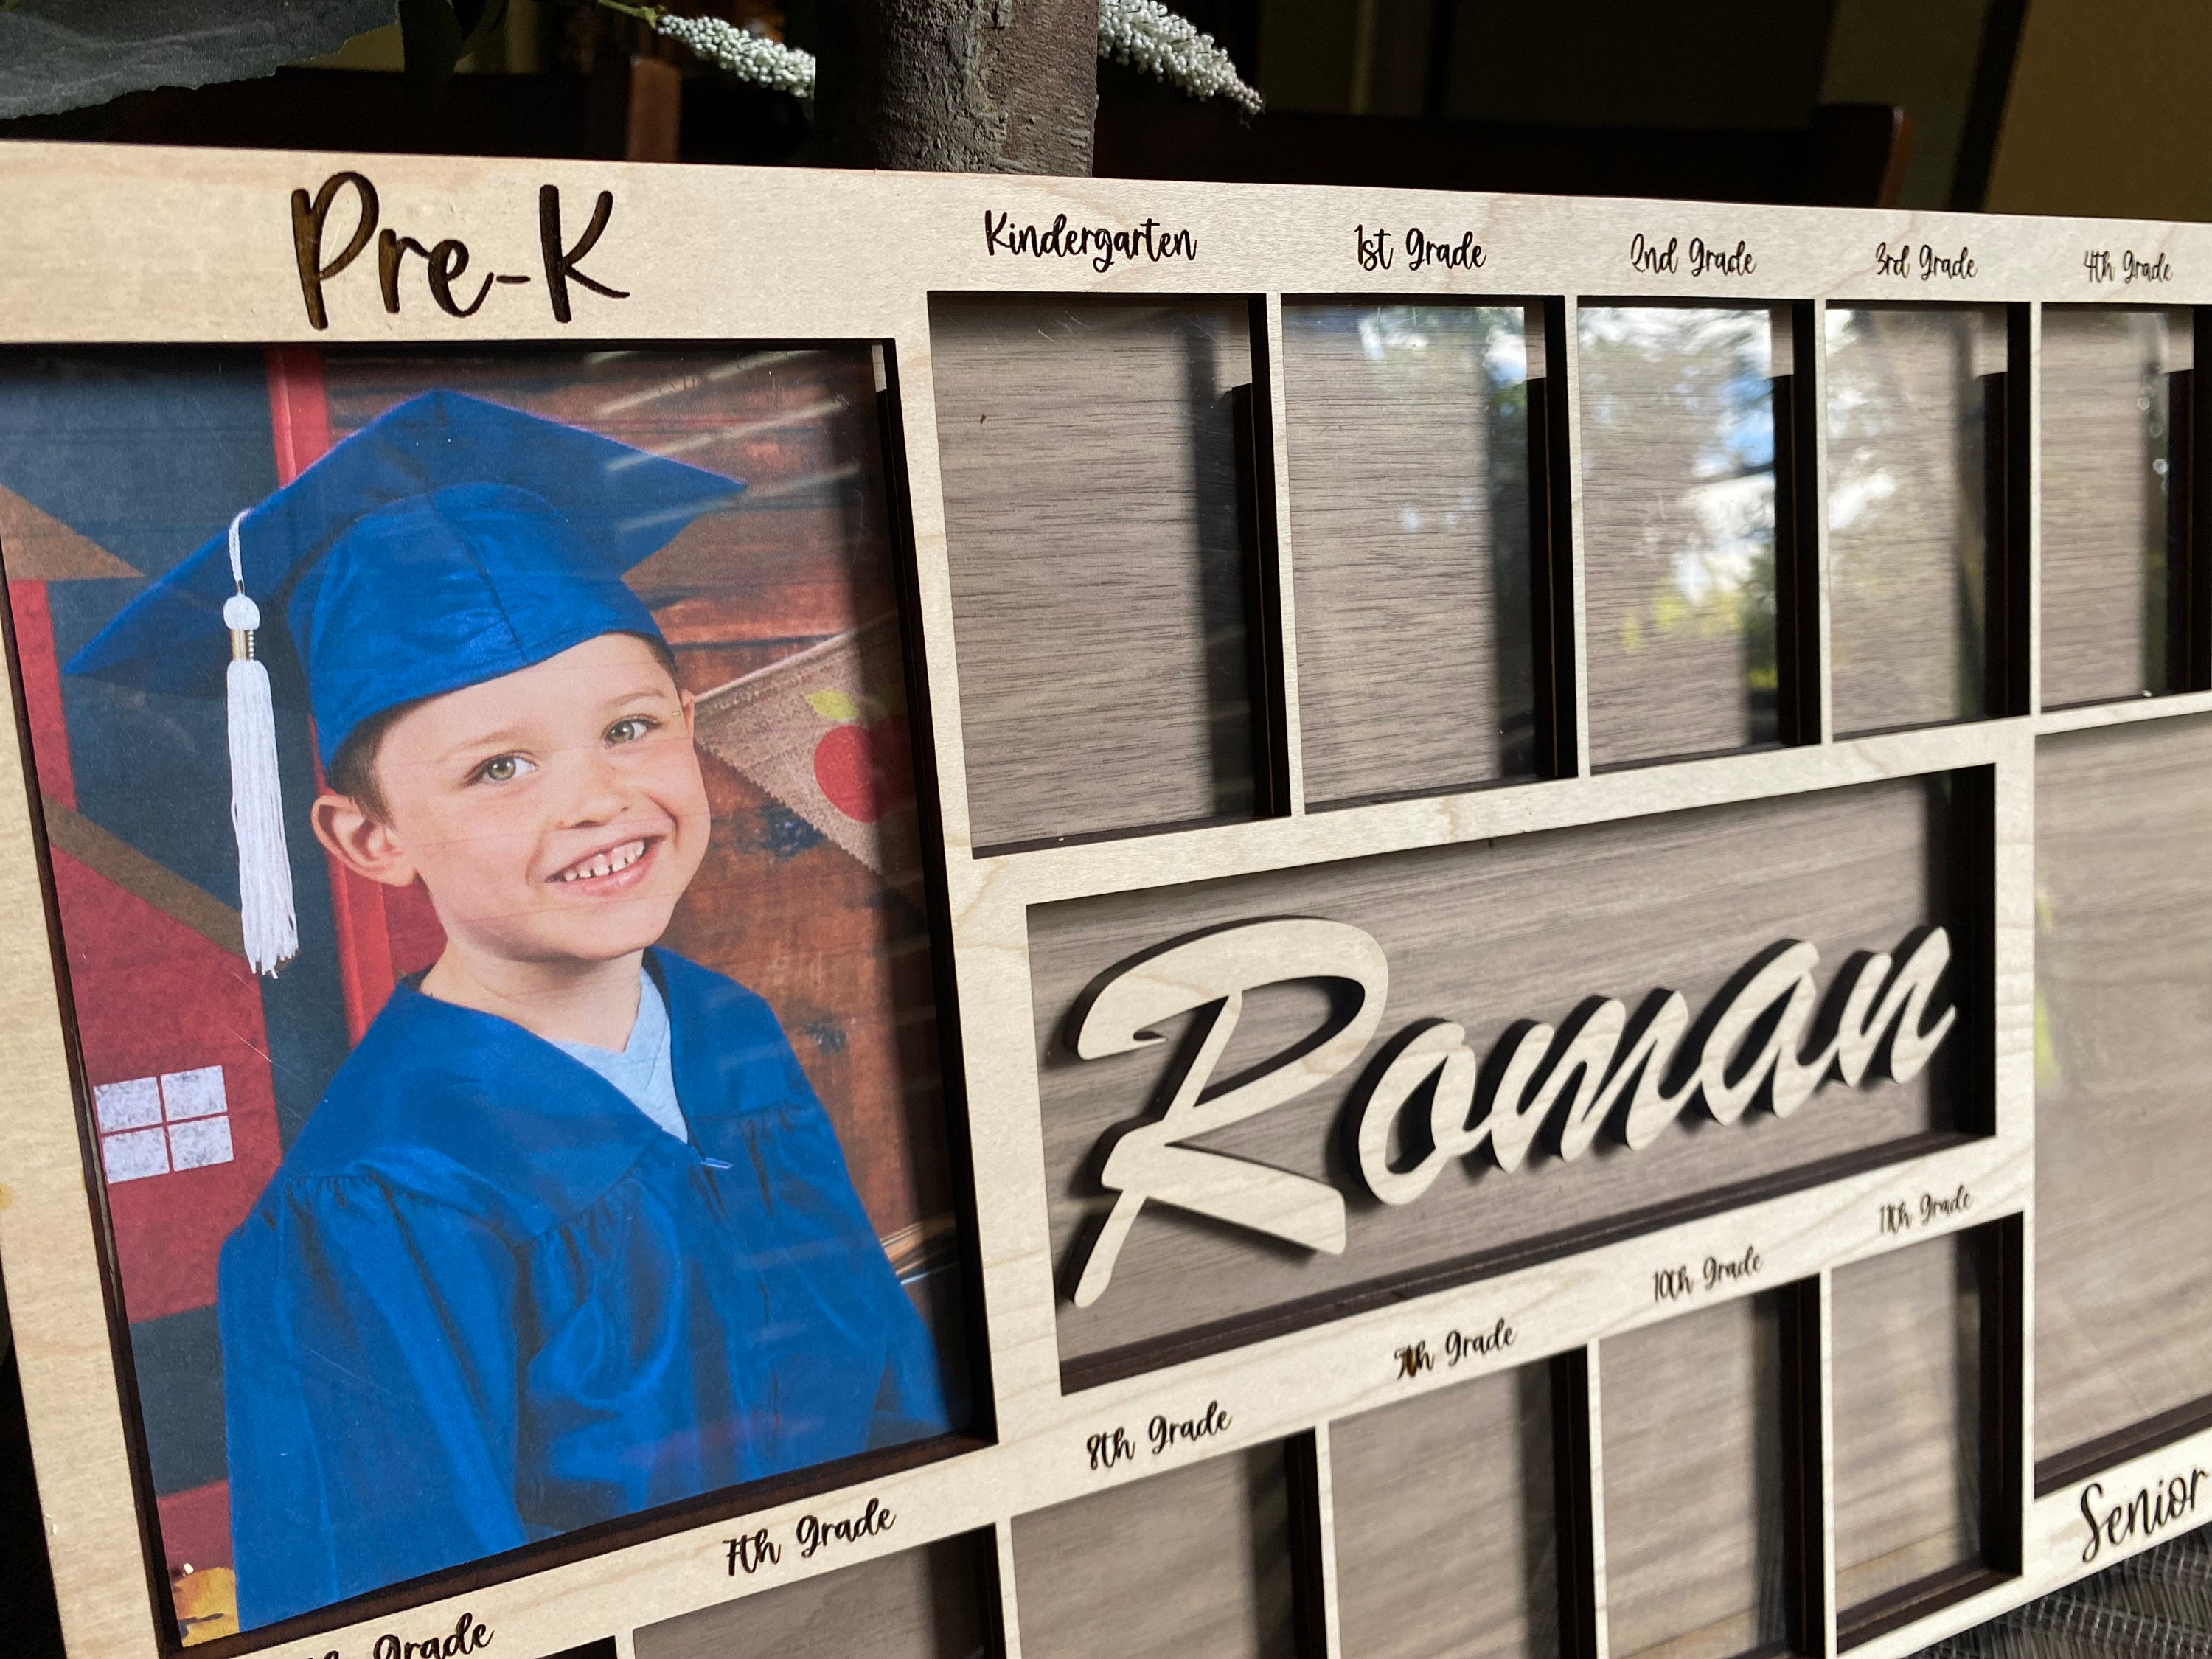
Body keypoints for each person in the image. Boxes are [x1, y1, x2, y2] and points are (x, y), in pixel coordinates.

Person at [66, 390, 950, 1630]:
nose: (597, 800)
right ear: (368, 837)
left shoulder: (727, 1034)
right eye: (501, 765)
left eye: (630, 728)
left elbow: (898, 1398)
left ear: (690, 731)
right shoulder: (375, 1204)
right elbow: (412, 1611)